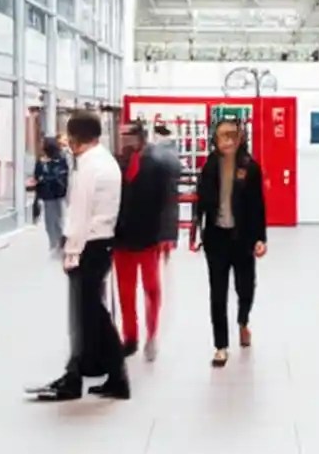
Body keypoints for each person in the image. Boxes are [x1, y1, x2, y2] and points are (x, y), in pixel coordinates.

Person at [28, 112, 130, 401]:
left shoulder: (88, 166)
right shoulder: (105, 161)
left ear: (73, 137)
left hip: (89, 245)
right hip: (101, 242)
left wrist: (71, 252)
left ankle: (110, 376)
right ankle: (83, 373)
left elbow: (79, 213)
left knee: (91, 315)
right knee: (88, 315)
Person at [191, 118, 268, 368]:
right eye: (223, 135)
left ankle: (243, 321)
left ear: (240, 138)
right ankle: (220, 345)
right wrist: (195, 232)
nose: (228, 140)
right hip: (216, 239)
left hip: (242, 238)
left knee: (245, 287)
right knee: (217, 292)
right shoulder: (209, 167)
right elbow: (200, 203)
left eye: (233, 135)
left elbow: (258, 206)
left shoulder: (250, 167)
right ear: (215, 139)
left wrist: (260, 238)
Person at [113, 123, 180, 361]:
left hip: (150, 237)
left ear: (140, 138)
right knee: (125, 291)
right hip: (121, 239)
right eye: (122, 137)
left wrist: (168, 235)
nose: (124, 142)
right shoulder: (115, 164)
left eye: (129, 137)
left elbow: (169, 202)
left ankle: (152, 334)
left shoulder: (158, 164)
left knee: (152, 289)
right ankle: (129, 337)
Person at [31, 137, 70, 254]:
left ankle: (58, 243)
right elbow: (37, 177)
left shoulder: (61, 160)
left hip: (59, 193)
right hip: (48, 194)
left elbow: (64, 175)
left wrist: (44, 179)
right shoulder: (41, 161)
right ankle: (55, 243)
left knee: (57, 220)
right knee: (50, 221)